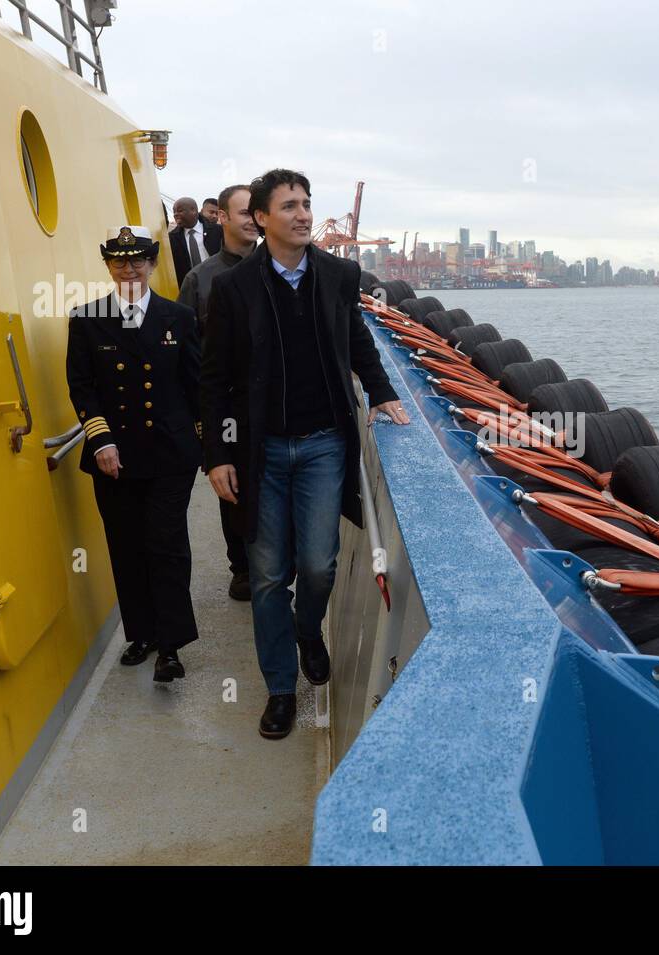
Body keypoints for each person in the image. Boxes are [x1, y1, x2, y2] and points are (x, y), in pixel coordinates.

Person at [200, 168, 409, 740]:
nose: (303, 214)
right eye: (289, 205)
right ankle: (279, 689)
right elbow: (214, 377)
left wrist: (384, 393)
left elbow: (357, 340)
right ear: (261, 218)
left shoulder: (339, 274)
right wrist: (216, 453)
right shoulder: (234, 288)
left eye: (308, 204)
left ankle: (308, 629)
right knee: (268, 575)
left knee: (316, 565)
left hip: (323, 445)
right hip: (260, 452)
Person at [66, 226, 202, 682]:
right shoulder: (86, 320)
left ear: (152, 263)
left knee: (166, 545)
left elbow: (194, 384)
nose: (129, 269)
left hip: (168, 454)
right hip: (114, 456)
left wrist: (206, 443)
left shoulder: (178, 318)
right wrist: (100, 440)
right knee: (126, 548)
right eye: (119, 261)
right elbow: (82, 387)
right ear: (108, 265)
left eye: (138, 260)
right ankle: (140, 634)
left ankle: (171, 646)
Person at [177, 184, 258, 601]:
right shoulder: (200, 280)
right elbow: (186, 356)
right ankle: (241, 566)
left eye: (255, 212)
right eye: (241, 212)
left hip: (271, 402)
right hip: (224, 405)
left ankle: (272, 565)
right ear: (221, 217)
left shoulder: (281, 270)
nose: (250, 219)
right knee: (232, 487)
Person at [168, 197, 222, 287]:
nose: (176, 214)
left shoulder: (218, 231)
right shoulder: (172, 239)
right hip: (192, 290)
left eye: (180, 211)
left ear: (194, 211)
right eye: (174, 212)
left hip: (218, 284)